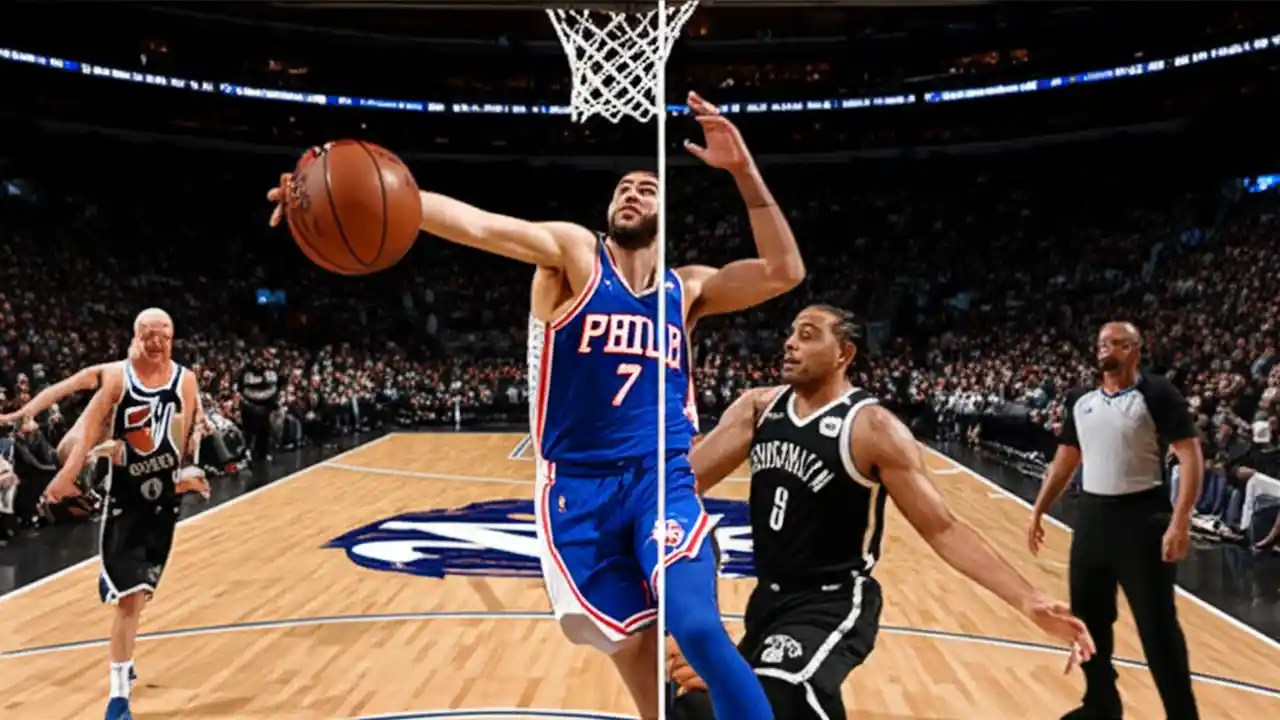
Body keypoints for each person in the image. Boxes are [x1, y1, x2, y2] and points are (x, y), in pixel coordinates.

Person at [269, 91, 803, 720]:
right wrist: (358, 195)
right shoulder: (576, 255)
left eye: (647, 188)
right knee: (635, 652)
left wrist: (743, 169)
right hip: (580, 491)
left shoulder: (687, 289)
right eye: (623, 188)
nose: (631, 193)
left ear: (667, 210)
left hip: (663, 478)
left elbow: (783, 270)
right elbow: (479, 225)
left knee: (699, 629)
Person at [666, 304, 1095, 719]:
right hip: (768, 601)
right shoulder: (758, 409)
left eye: (808, 334)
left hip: (832, 603)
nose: (790, 344)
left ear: (844, 354)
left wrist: (1029, 599)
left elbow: (944, 529)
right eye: (792, 333)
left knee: (783, 692)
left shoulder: (873, 429)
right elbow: (679, 488)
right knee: (694, 707)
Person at [1029, 321, 1203, 720]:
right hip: (1092, 517)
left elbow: (1191, 456)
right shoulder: (1080, 399)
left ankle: (1183, 715)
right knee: (1088, 619)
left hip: (1143, 519)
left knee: (1157, 628)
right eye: (1101, 343)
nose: (1105, 348)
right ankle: (1101, 703)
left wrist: (1180, 521)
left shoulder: (1157, 394)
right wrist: (1039, 508)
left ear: (1133, 350)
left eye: (1115, 343)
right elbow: (1065, 461)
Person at [44, 308, 211, 720]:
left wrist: (189, 470)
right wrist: (96, 454)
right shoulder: (117, 383)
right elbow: (75, 443)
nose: (156, 341)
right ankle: (119, 695)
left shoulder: (184, 381)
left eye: (165, 334)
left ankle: (113, 584)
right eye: (149, 334)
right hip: (124, 498)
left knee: (143, 593)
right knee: (131, 601)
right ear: (135, 337)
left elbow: (183, 438)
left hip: (161, 500)